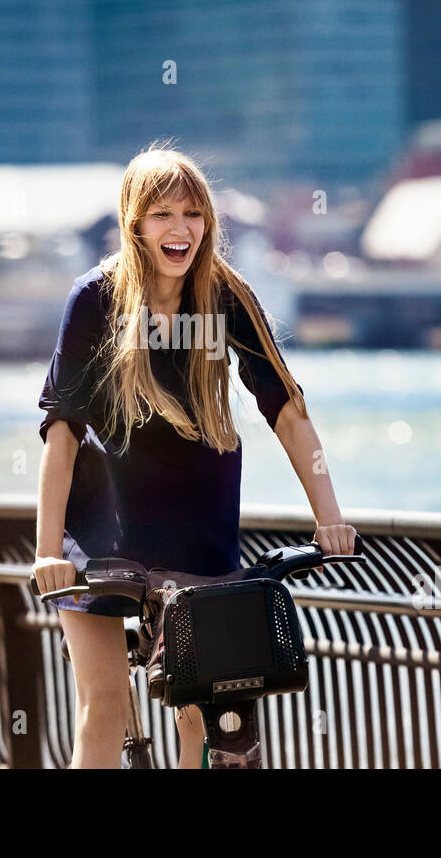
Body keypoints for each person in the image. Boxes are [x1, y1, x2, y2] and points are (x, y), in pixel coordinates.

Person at [32, 142, 358, 768]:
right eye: (162, 215)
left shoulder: (224, 295)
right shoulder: (95, 299)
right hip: (102, 529)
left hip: (196, 529)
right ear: (135, 224)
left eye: (193, 214)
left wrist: (330, 517)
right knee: (102, 705)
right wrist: (48, 551)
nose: (180, 229)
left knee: (204, 712)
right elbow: (62, 431)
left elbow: (287, 410)